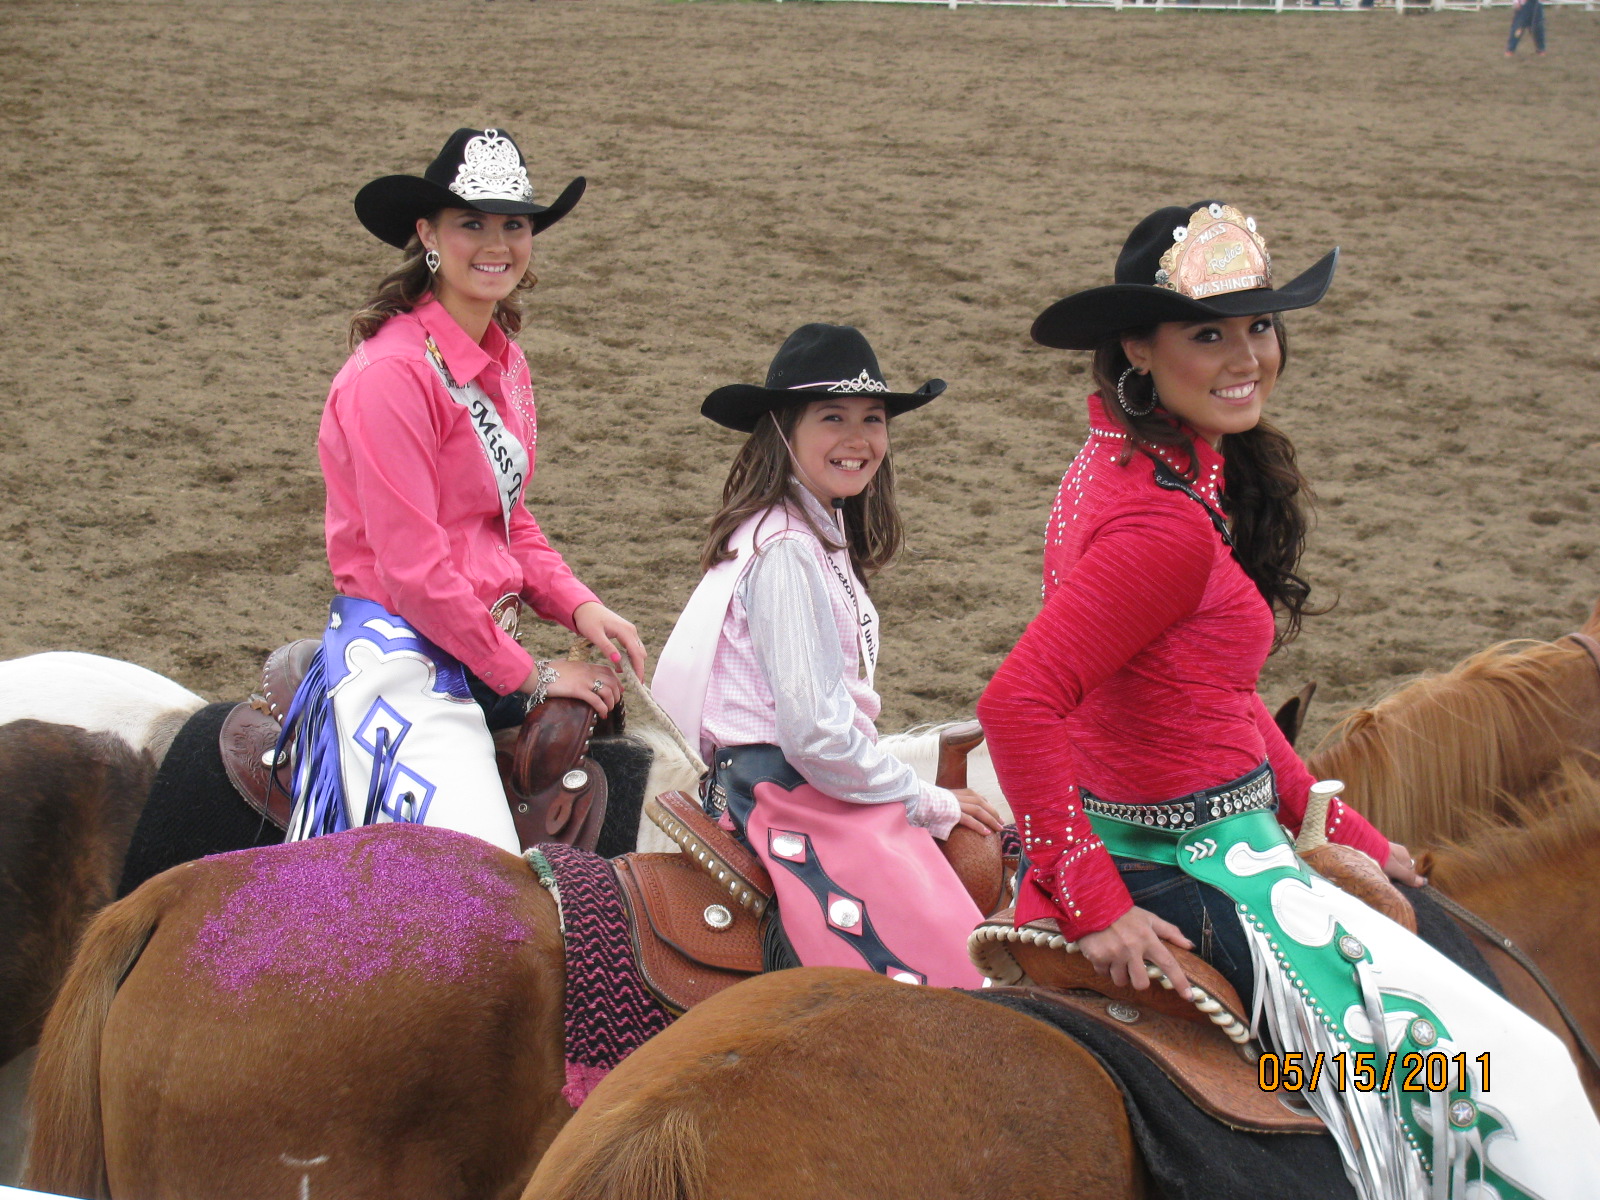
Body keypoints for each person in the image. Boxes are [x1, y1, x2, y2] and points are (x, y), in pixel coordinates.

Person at [977, 201, 1600, 1198]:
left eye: (1259, 326)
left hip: (1186, 831)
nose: (1246, 356)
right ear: (1137, 347)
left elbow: (1203, 690)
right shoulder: (1166, 527)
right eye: (1209, 332)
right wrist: (1094, 903)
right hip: (1195, 872)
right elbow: (1017, 702)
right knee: (1502, 1079)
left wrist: (1329, 811)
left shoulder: (1125, 467)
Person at [280, 127, 645, 855]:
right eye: (471, 222)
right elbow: (414, 573)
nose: (496, 242)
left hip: (474, 643)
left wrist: (578, 603)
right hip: (400, 652)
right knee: (483, 879)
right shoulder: (392, 375)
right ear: (429, 235)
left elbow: (504, 520)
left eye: (514, 224)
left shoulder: (505, 363)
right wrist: (536, 675)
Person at [654, 323, 1002, 988]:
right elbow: (813, 731)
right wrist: (928, 800)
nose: (858, 438)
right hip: (790, 790)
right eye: (832, 418)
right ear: (784, 428)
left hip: (804, 774)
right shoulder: (787, 550)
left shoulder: (802, 530)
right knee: (945, 970)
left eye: (873, 419)